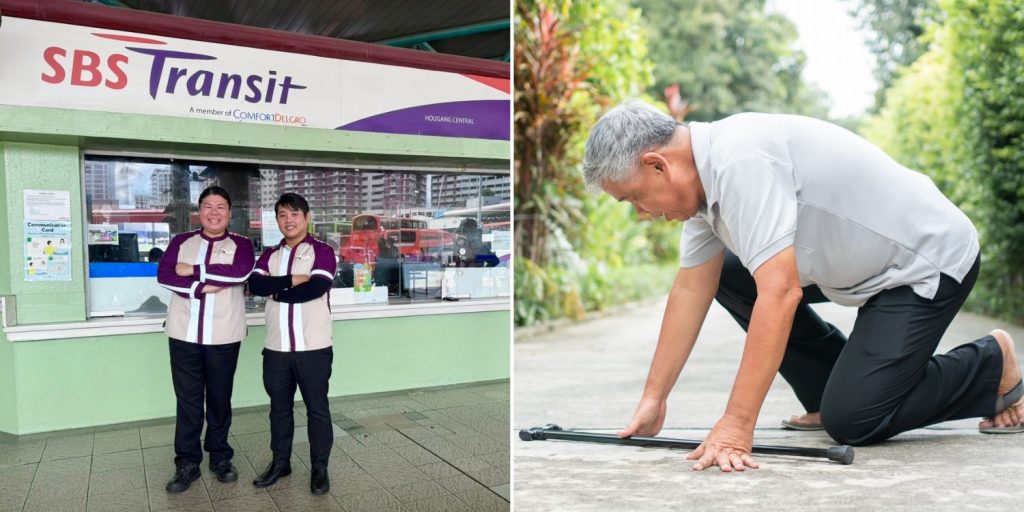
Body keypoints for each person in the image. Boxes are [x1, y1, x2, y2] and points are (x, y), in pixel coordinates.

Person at [582, 100, 1023, 472]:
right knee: (729, 274)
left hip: (925, 264)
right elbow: (690, 290)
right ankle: (827, 388)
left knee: (853, 421)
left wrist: (737, 425)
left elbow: (781, 291)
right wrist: (653, 399)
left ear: (657, 165)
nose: (642, 212)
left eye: (634, 198)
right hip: (864, 268)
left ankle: (986, 364)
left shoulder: (739, 160)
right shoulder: (703, 188)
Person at [156, 186, 255, 492]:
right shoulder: (181, 242)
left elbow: (238, 273)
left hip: (224, 335)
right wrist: (202, 287)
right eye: (208, 206)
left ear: (229, 212)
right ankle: (187, 464)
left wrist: (194, 271)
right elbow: (166, 274)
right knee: (188, 402)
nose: (214, 212)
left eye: (221, 207)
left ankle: (220, 457)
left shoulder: (242, 244)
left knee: (219, 399)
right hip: (183, 334)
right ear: (199, 211)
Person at [248, 193, 337, 494]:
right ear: (277, 220)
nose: (289, 220)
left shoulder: (322, 251)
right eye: (283, 215)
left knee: (317, 410)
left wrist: (277, 291)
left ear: (307, 217)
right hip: (276, 349)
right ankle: (280, 463)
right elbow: (255, 285)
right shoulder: (269, 254)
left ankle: (320, 468)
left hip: (313, 348)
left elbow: (316, 287)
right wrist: (292, 279)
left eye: (294, 213)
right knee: (279, 410)